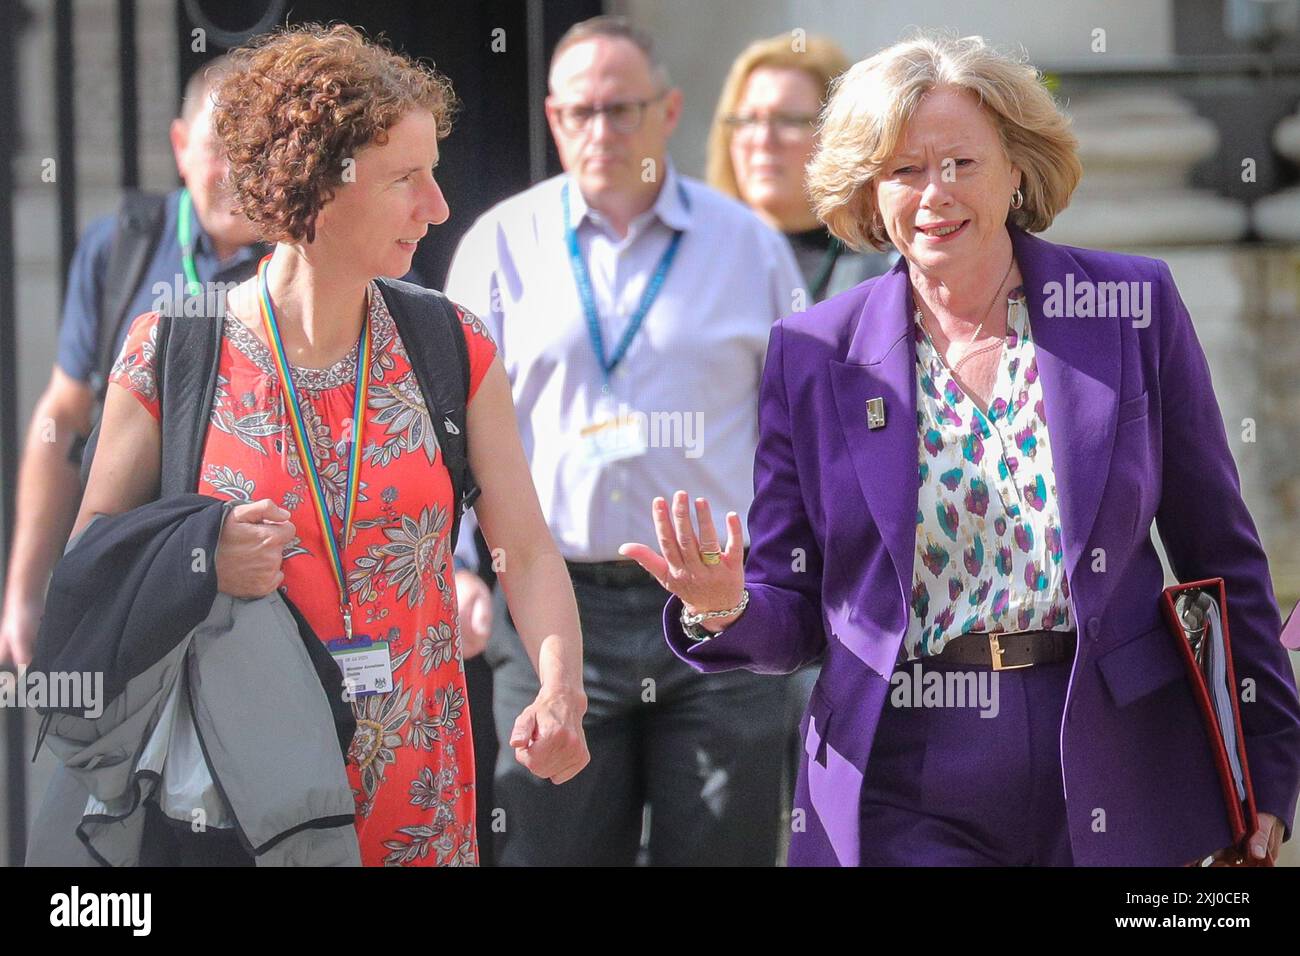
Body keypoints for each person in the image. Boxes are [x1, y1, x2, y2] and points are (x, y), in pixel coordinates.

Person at [623, 33, 1300, 866]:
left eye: (961, 164)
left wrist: (1267, 765)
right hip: (906, 764)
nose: (934, 194)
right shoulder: (812, 353)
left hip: (1111, 747)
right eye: (904, 170)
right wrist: (723, 605)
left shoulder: (1130, 308)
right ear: (872, 194)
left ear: (1017, 169)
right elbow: (798, 611)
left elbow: (1221, 555)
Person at [74, 22, 588, 866]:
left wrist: (562, 685)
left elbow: (524, 551)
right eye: (406, 180)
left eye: (436, 173)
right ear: (318, 184)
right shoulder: (175, 346)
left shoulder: (452, 345)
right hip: (242, 794)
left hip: (418, 795)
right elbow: (93, 561)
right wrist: (201, 556)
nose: (439, 206)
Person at [445, 15, 805, 866]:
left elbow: (796, 436)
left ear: (670, 111)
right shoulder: (499, 245)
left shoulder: (747, 247)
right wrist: (461, 564)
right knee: (548, 847)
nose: (599, 131)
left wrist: (785, 578)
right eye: (579, 112)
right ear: (550, 115)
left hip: (719, 607)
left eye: (621, 109)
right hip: (552, 608)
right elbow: (453, 431)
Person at [0, 56, 265, 671]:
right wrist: (24, 591)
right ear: (180, 145)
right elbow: (64, 419)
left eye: (252, 149)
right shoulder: (120, 246)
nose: (235, 173)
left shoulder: (308, 256)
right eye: (217, 148)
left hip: (271, 585)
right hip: (140, 587)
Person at [707, 33, 893, 302]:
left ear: (841, 134)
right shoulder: (697, 256)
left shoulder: (886, 268)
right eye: (748, 120)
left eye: (788, 121)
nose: (763, 140)